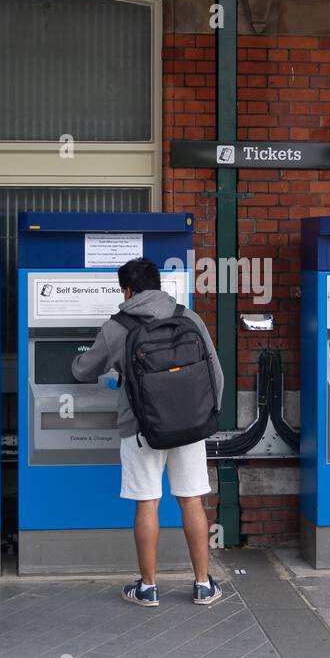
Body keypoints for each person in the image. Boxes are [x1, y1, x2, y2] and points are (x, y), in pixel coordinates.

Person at [72, 257, 224, 607]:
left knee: (147, 502)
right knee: (191, 501)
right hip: (191, 426)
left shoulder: (116, 327)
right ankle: (203, 584)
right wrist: (203, 416)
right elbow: (215, 375)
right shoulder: (189, 318)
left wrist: (78, 359)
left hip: (141, 428)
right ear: (158, 284)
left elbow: (84, 370)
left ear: (127, 289)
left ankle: (148, 587)